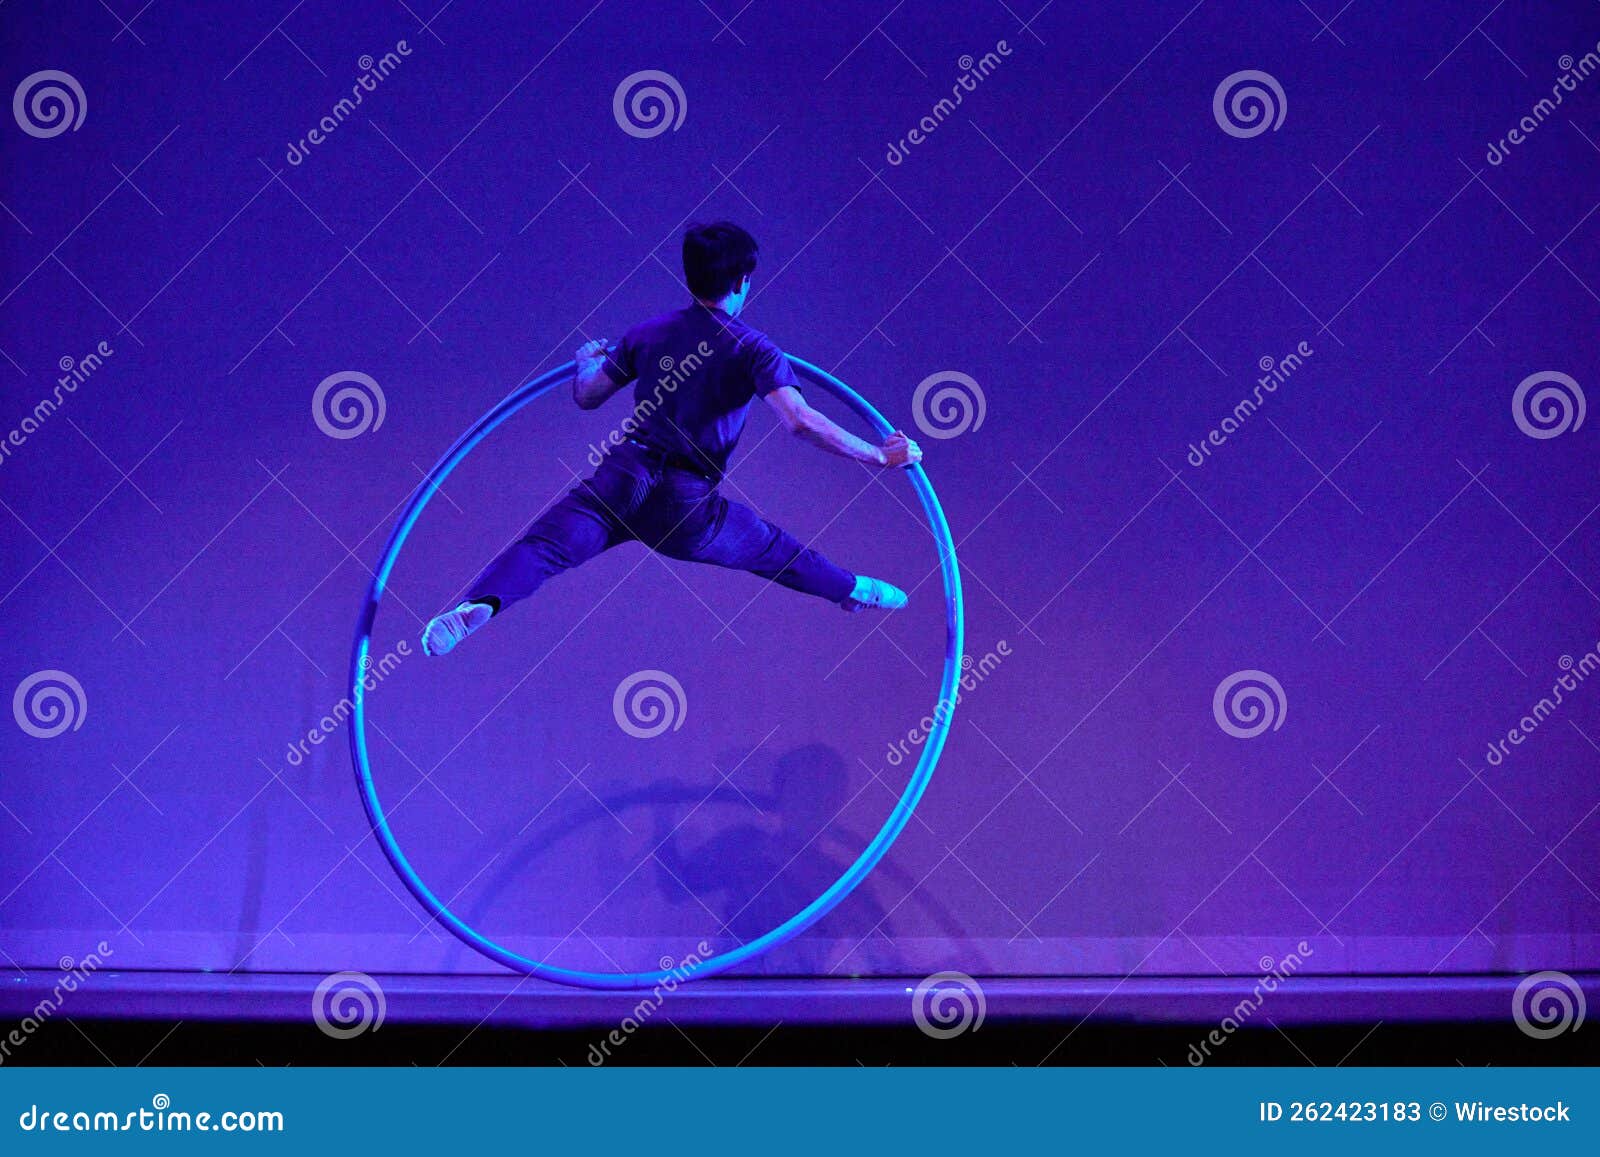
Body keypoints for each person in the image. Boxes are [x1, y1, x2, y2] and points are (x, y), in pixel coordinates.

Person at [421, 221, 922, 657]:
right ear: (743, 281)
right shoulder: (754, 348)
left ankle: (477, 605)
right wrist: (880, 454)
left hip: (622, 477)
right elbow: (800, 421)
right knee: (771, 550)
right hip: (684, 506)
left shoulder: (649, 332)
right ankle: (851, 590)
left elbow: (589, 396)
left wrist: (585, 363)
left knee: (545, 548)